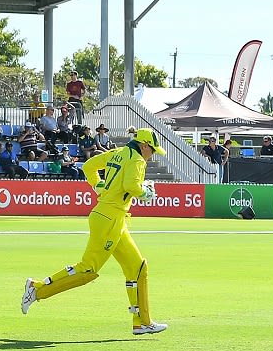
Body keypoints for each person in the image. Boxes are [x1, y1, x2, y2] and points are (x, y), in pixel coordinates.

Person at [21, 127, 168, 335]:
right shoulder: (137, 160)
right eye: (152, 151)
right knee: (87, 270)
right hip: (110, 218)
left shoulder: (117, 153)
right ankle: (37, 288)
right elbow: (131, 186)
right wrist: (147, 192)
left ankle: (141, 321)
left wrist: (98, 185)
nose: (152, 156)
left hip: (112, 218)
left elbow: (89, 165)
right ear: (144, 146)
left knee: (138, 268)